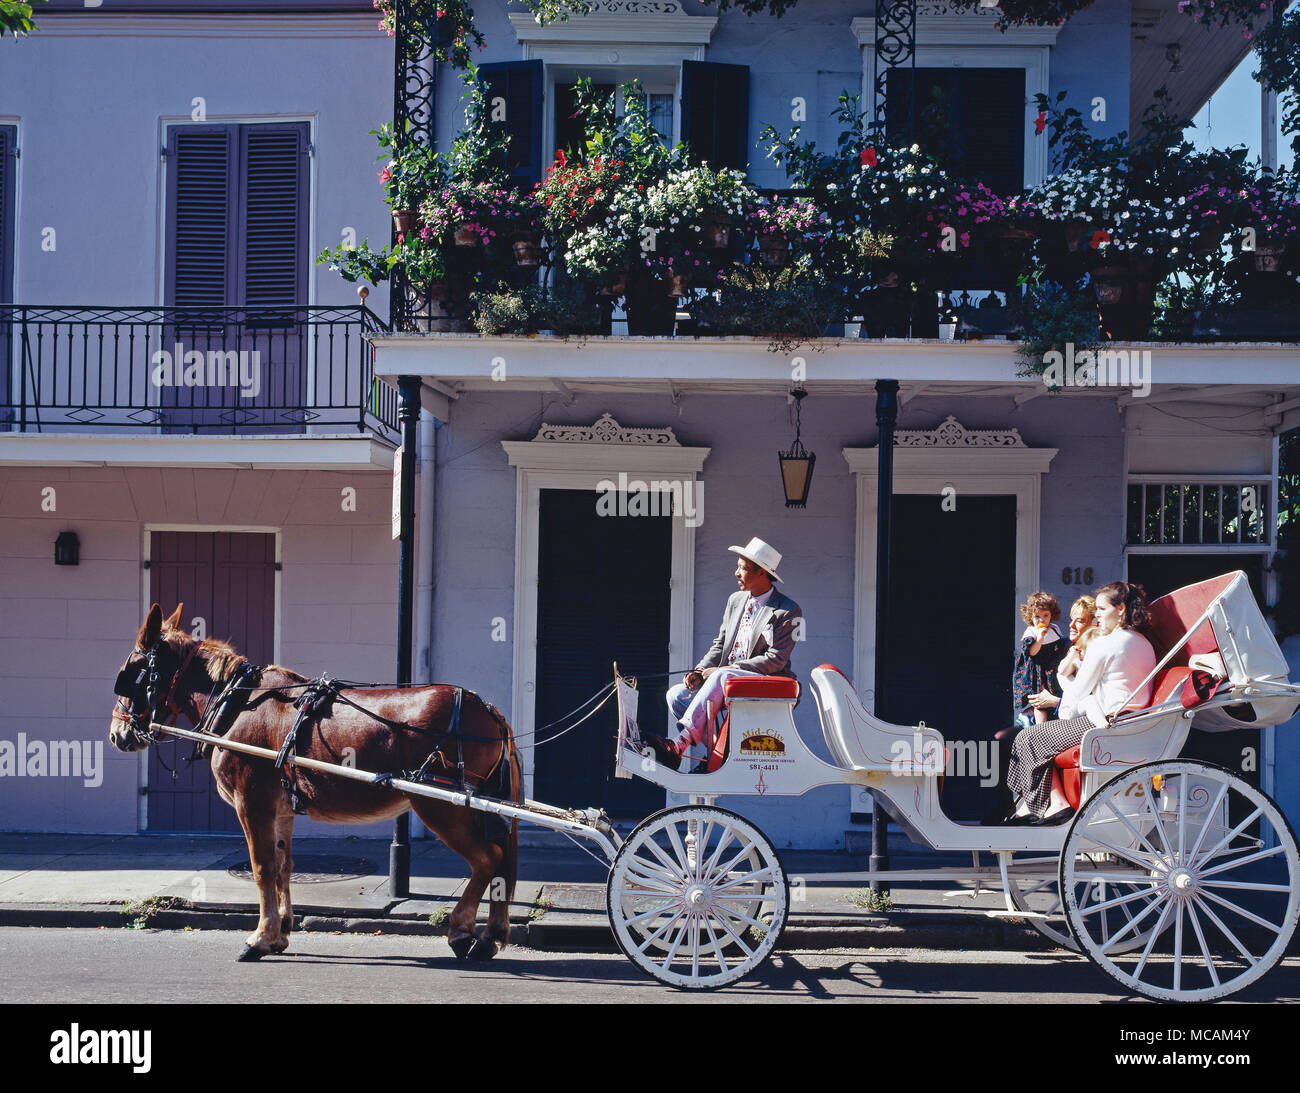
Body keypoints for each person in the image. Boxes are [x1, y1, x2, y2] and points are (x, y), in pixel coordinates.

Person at [1004, 581, 1157, 823]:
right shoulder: (1143, 642)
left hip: (1104, 722)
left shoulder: (1106, 643)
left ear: (1121, 610)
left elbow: (1076, 694)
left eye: (1102, 609)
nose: (1097, 615)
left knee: (1029, 737)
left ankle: (1050, 805)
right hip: (1130, 721)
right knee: (1036, 736)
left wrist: (1063, 675)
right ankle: (1038, 805)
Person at [645, 537, 802, 771]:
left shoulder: (788, 610)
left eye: (743, 568)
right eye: (738, 566)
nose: (736, 572)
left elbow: (776, 659)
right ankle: (720, 753)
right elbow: (720, 644)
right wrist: (699, 670)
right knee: (676, 694)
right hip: (725, 679)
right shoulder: (735, 601)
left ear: (762, 573)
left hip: (761, 682)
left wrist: (725, 671)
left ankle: (679, 746)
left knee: (723, 676)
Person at [1012, 591, 1066, 727]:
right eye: (1037, 617)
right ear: (1030, 616)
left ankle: (1051, 723)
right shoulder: (1032, 632)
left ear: (1051, 615)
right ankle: (1039, 727)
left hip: (1054, 670)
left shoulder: (1054, 629)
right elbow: (1032, 652)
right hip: (1040, 671)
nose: (1041, 620)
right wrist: (1040, 638)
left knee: (1054, 696)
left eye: (1045, 616)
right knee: (1040, 702)